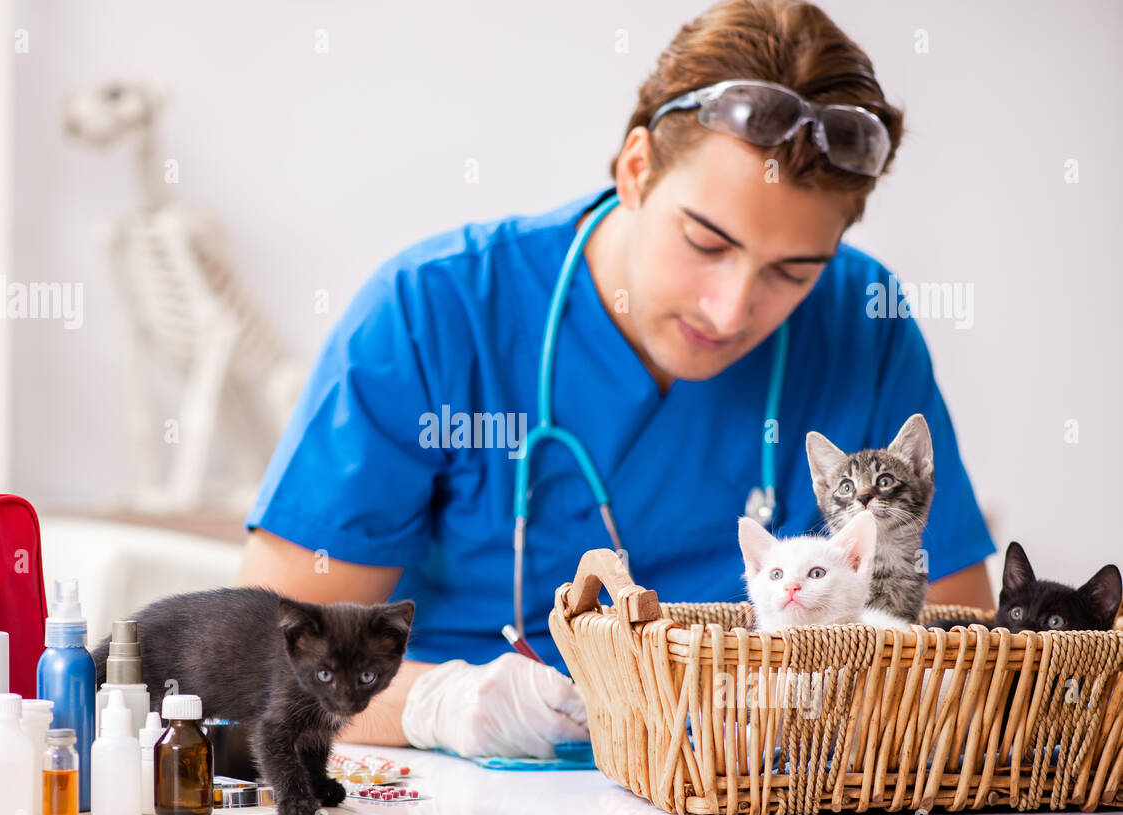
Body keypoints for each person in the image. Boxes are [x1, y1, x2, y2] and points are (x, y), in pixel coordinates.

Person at [236, 0, 997, 758]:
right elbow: (263, 662)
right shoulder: (433, 315)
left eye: (792, 271)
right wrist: (435, 703)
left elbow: (951, 654)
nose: (731, 310)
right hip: (471, 800)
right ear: (636, 169)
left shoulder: (862, 325)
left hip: (771, 795)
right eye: (706, 241)